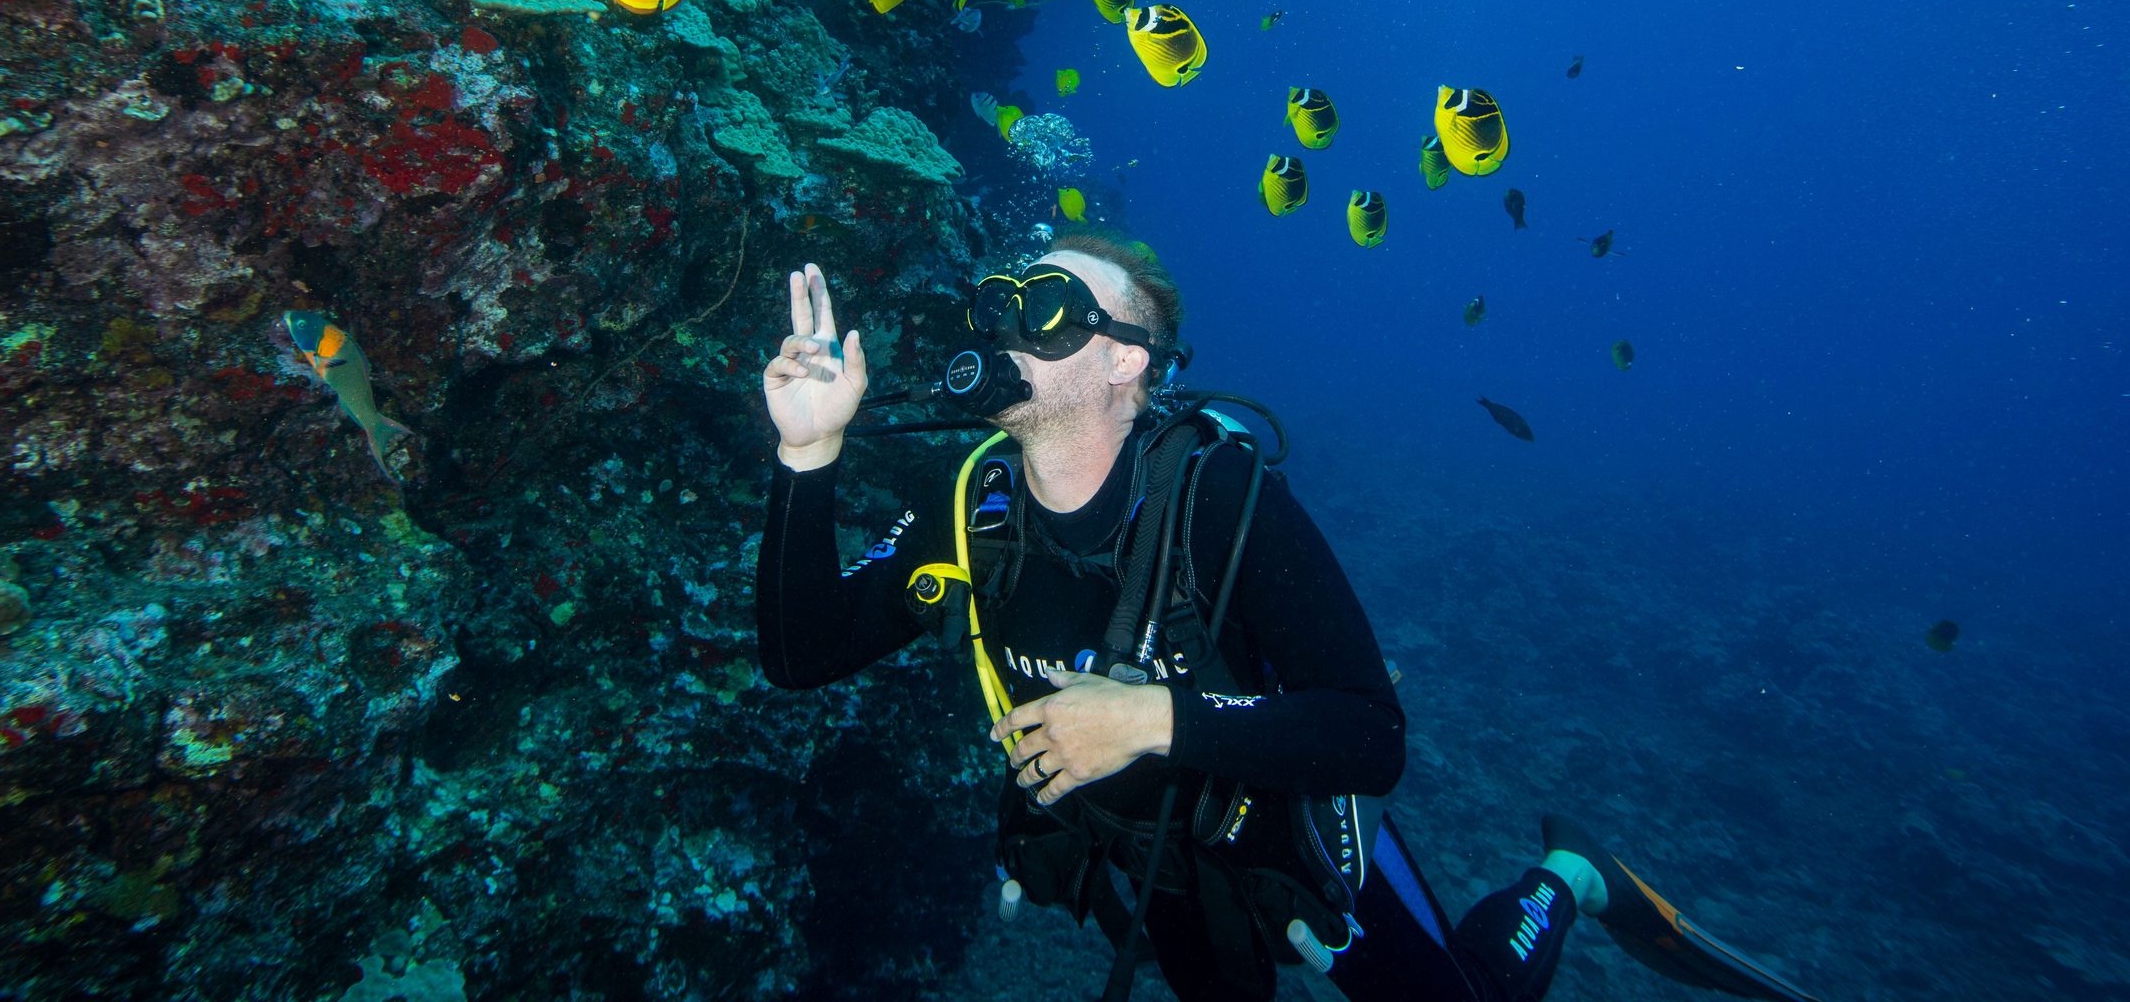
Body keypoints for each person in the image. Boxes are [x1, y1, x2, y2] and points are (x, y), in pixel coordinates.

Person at [758, 230, 1818, 1002]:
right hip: (1151, 863)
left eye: (1043, 308)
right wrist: (808, 453)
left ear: (1126, 360)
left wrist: (1153, 721)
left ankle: (1566, 877)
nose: (1002, 326)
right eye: (998, 303)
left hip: (1289, 832)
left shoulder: (1221, 498)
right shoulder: (971, 505)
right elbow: (801, 653)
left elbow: (1370, 735)